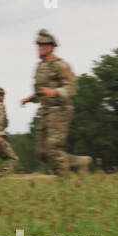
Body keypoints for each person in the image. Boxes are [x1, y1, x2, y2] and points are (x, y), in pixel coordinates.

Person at [21, 30, 78, 177]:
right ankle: (79, 162)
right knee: (42, 152)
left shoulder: (60, 65)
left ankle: (66, 182)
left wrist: (55, 92)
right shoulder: (40, 67)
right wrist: (31, 98)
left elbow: (72, 88)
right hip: (46, 111)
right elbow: (41, 92)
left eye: (44, 46)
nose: (40, 49)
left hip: (60, 110)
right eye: (39, 46)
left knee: (53, 148)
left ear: (52, 47)